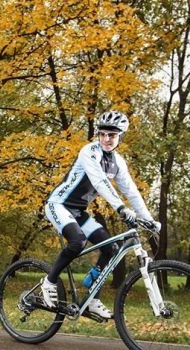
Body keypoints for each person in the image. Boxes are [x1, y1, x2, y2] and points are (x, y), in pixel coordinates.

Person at [41, 111, 161, 319]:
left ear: (120, 137)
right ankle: (49, 282)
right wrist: (120, 209)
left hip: (78, 211)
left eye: (112, 135)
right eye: (103, 134)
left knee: (111, 248)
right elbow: (99, 183)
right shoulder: (89, 152)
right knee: (77, 241)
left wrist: (149, 219)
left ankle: (92, 300)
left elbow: (131, 191)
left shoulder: (118, 163)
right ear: (98, 135)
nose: (106, 139)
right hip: (58, 204)